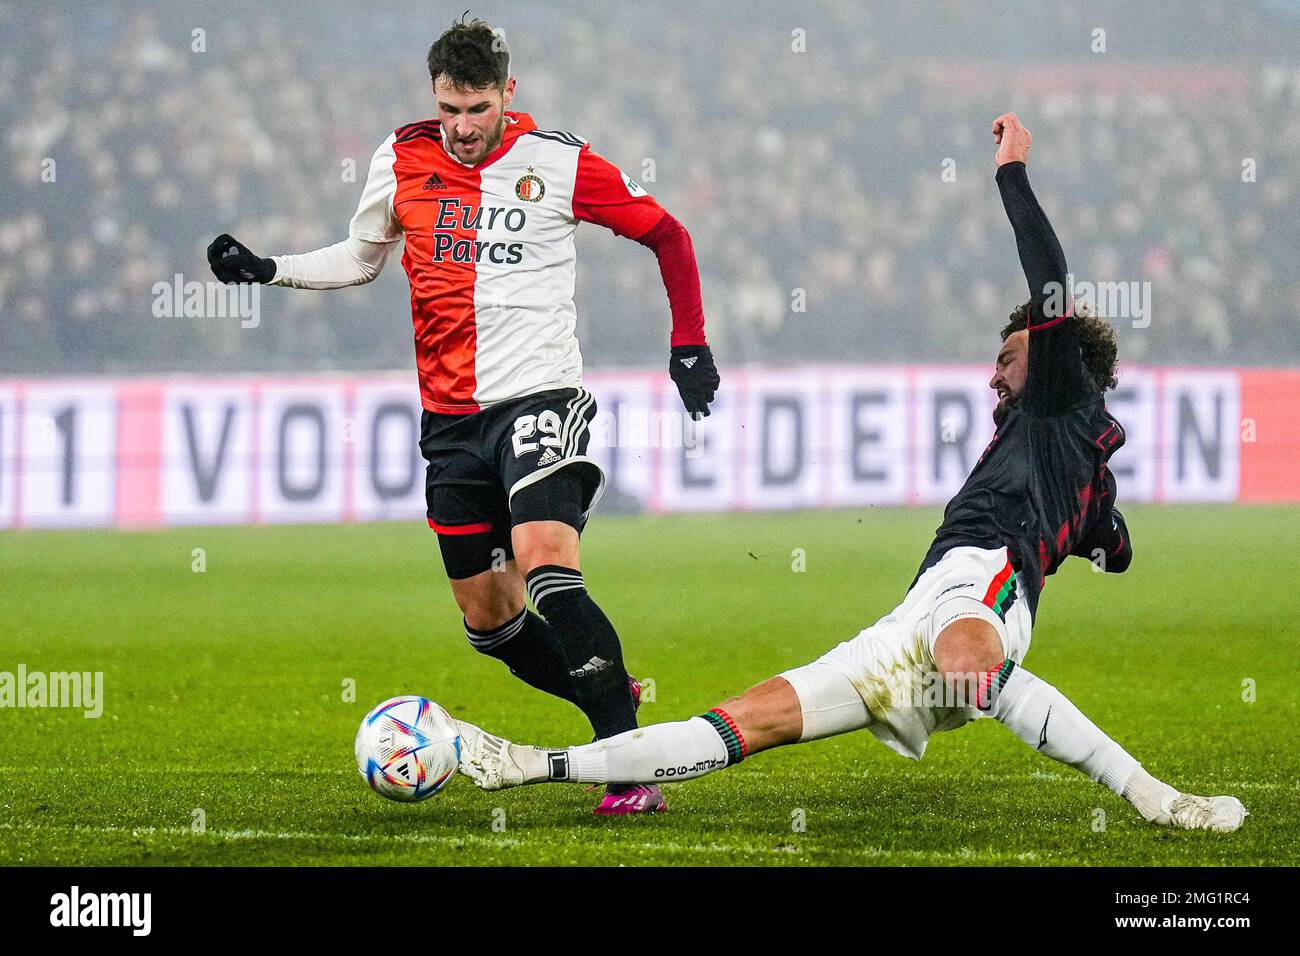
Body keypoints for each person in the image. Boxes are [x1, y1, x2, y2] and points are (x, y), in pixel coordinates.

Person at [453, 114, 1247, 833]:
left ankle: (1158, 801)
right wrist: (1099, 531)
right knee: (740, 724)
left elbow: (1048, 279)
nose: (994, 377)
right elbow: (1115, 545)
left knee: (971, 665)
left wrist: (1011, 170)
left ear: (1054, 358)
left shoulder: (1056, 393)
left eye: (1007, 358)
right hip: (912, 621)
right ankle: (529, 763)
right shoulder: (1066, 452)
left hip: (982, 584)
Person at [207, 17, 719, 815]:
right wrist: (269, 270)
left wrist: (688, 344)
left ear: (507, 93)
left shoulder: (557, 162)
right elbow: (361, 256)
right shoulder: (401, 155)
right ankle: (610, 699)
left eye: (477, 108)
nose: (463, 126)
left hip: (540, 398)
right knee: (490, 620)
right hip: (449, 423)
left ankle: (629, 768)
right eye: (449, 108)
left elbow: (668, 235)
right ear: (433, 97)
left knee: (548, 565)